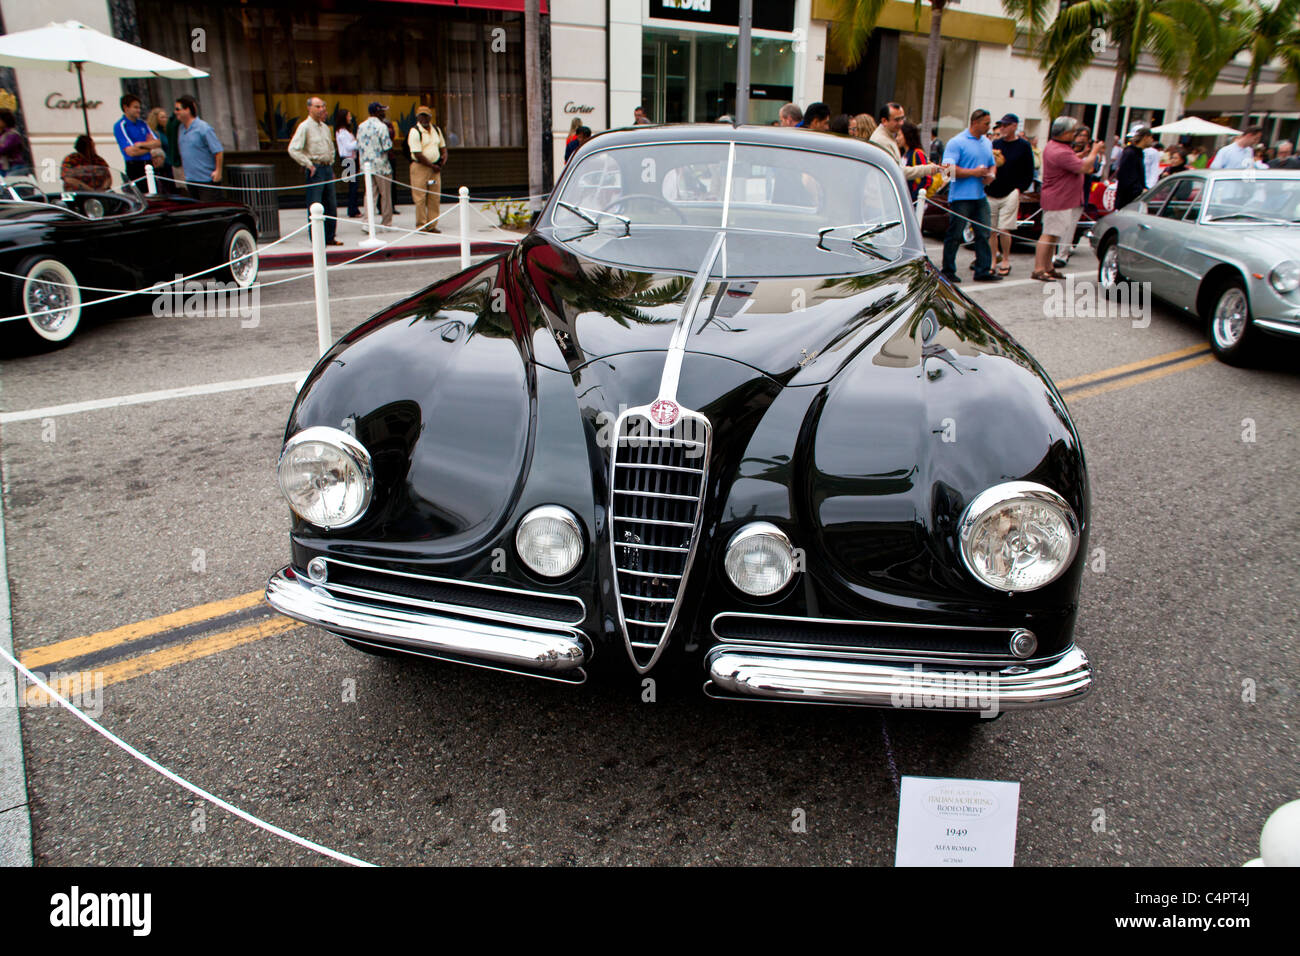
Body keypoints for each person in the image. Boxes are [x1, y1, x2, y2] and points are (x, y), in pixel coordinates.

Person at [1035, 115, 1102, 282]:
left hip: (1062, 199)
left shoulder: (1058, 147)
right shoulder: (1059, 151)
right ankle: (1039, 268)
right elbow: (1086, 168)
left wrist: (1082, 154)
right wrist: (1094, 151)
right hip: (1058, 199)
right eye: (1072, 132)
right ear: (1064, 133)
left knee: (1054, 234)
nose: (1074, 135)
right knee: (1049, 234)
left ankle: (1048, 267)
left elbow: (1071, 163)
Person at [941, 109, 1000, 283]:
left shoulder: (987, 143)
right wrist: (973, 172)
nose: (988, 127)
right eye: (986, 123)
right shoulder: (957, 142)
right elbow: (947, 171)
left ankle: (983, 269)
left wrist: (991, 175)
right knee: (955, 234)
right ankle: (948, 270)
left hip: (979, 196)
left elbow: (992, 164)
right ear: (975, 122)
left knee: (984, 233)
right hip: (961, 197)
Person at [288, 95, 341, 245]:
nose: (321, 109)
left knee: (331, 204)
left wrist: (331, 163)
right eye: (317, 107)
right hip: (315, 169)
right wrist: (308, 164)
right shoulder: (305, 127)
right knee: (315, 205)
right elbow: (294, 149)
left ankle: (330, 236)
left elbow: (331, 148)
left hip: (327, 168)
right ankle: (317, 239)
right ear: (309, 108)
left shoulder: (325, 127)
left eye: (323, 106)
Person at [985, 113, 1033, 276]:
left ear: (1014, 126)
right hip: (992, 190)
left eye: (1006, 125)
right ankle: (993, 258)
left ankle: (1005, 258)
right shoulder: (995, 144)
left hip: (1011, 191)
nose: (1002, 128)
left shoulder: (1024, 146)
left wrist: (1020, 189)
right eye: (1001, 126)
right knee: (991, 229)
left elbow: (1029, 171)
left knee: (1005, 228)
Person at [870, 102, 939, 182]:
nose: (901, 123)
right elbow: (897, 171)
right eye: (897, 120)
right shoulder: (881, 141)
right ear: (884, 121)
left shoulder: (887, 136)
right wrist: (928, 169)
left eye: (902, 118)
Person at [173, 95, 224, 200]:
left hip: (206, 180)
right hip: (190, 179)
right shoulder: (181, 129)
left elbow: (218, 150)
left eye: (178, 109)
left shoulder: (203, 128)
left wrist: (218, 171)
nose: (175, 112)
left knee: (209, 210)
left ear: (187, 110)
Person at [408, 105, 448, 232]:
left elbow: (443, 146)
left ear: (430, 117)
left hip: (434, 170)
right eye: (422, 116)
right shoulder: (415, 131)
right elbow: (418, 154)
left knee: (434, 197)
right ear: (418, 117)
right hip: (421, 168)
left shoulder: (436, 129)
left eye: (427, 116)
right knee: (420, 197)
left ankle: (432, 225)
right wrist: (432, 166)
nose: (424, 119)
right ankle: (421, 224)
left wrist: (442, 160)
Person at [356, 102, 393, 226]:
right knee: (385, 196)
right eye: (382, 111)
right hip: (382, 166)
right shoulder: (381, 126)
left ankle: (367, 222)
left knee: (370, 195)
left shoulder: (361, 126)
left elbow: (359, 146)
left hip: (367, 166)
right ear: (377, 112)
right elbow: (387, 146)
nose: (384, 113)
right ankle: (386, 222)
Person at [114, 94, 159, 186]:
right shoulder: (121, 125)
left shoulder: (143, 124)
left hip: (148, 163)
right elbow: (131, 151)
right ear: (126, 108)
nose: (139, 110)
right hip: (134, 165)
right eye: (135, 107)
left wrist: (140, 144)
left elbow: (157, 143)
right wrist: (149, 146)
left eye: (139, 107)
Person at [1115, 126, 1152, 209]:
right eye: (1151, 138)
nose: (1152, 141)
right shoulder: (1130, 153)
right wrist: (1138, 190)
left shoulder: (1138, 153)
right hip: (1128, 199)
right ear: (1145, 137)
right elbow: (1125, 176)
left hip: (1133, 198)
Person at [146, 107, 178, 193]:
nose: (165, 119)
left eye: (166, 117)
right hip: (163, 168)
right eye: (162, 117)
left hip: (171, 165)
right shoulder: (155, 134)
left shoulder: (167, 132)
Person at [335, 108, 360, 217]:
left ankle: (353, 207)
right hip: (348, 160)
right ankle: (352, 209)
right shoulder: (342, 132)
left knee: (354, 184)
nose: (350, 118)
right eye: (348, 116)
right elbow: (348, 147)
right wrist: (358, 142)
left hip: (351, 159)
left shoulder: (345, 131)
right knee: (353, 184)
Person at [900, 122, 932, 202]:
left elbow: (927, 179)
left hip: (913, 201)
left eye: (899, 135)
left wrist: (914, 197)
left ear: (907, 136)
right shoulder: (904, 154)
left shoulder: (917, 153)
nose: (897, 138)